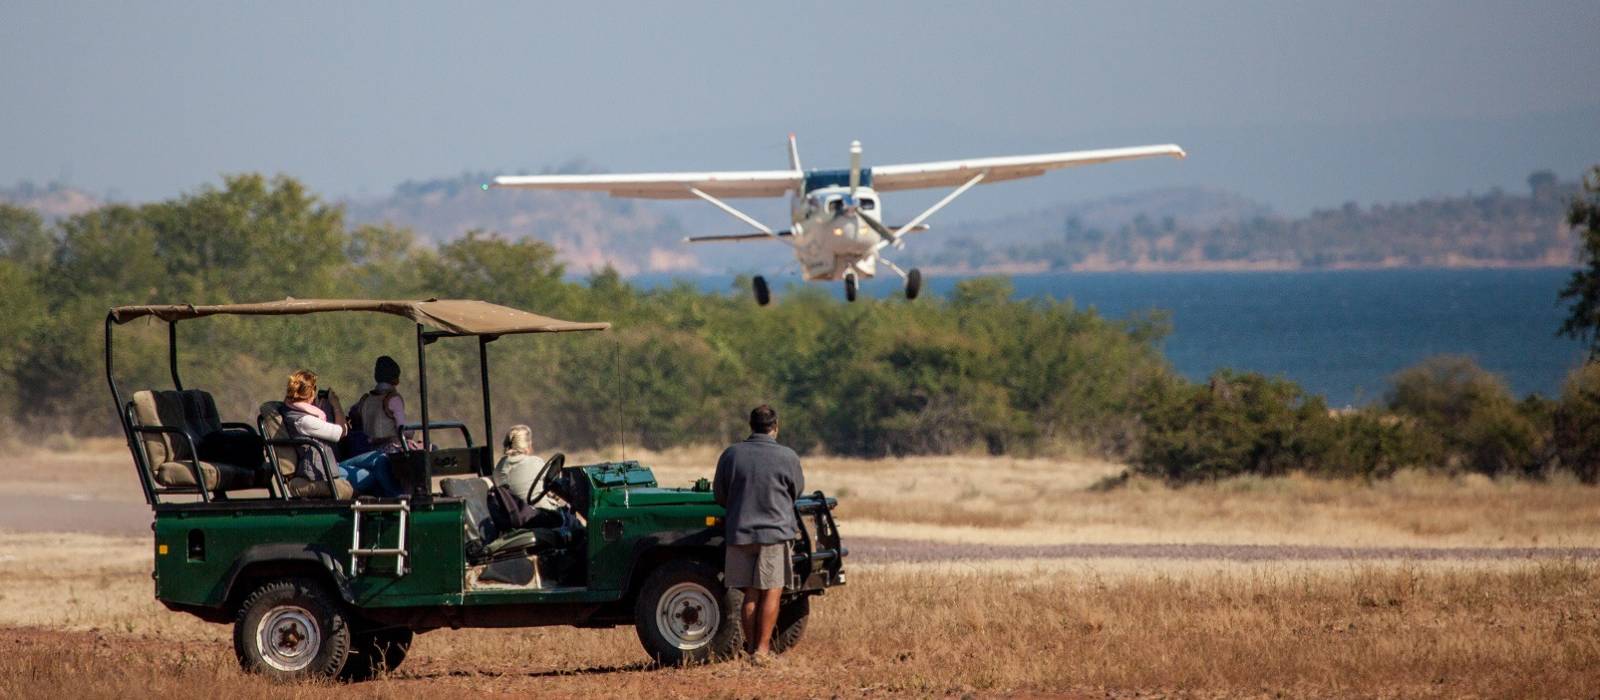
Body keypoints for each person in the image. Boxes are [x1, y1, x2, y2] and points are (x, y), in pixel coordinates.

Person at [712, 404, 804, 661]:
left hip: (740, 533)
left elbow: (719, 495)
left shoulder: (731, 455)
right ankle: (762, 652)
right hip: (774, 534)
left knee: (749, 593)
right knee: (772, 590)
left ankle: (750, 647)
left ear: (751, 426)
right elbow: (797, 492)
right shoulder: (788, 456)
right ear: (776, 426)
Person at [280, 369, 404, 498]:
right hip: (319, 469)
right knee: (369, 476)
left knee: (379, 457)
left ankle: (395, 495)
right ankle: (394, 498)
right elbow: (340, 432)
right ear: (311, 392)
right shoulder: (304, 421)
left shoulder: (296, 410)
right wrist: (335, 404)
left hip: (330, 463)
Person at [345, 355, 417, 456]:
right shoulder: (394, 399)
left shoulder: (365, 400)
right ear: (395, 379)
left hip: (367, 451)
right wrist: (412, 431)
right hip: (389, 451)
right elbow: (401, 430)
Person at [492, 424, 547, 501]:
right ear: (527, 444)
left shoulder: (499, 468)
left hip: (516, 511)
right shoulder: (536, 462)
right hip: (543, 511)